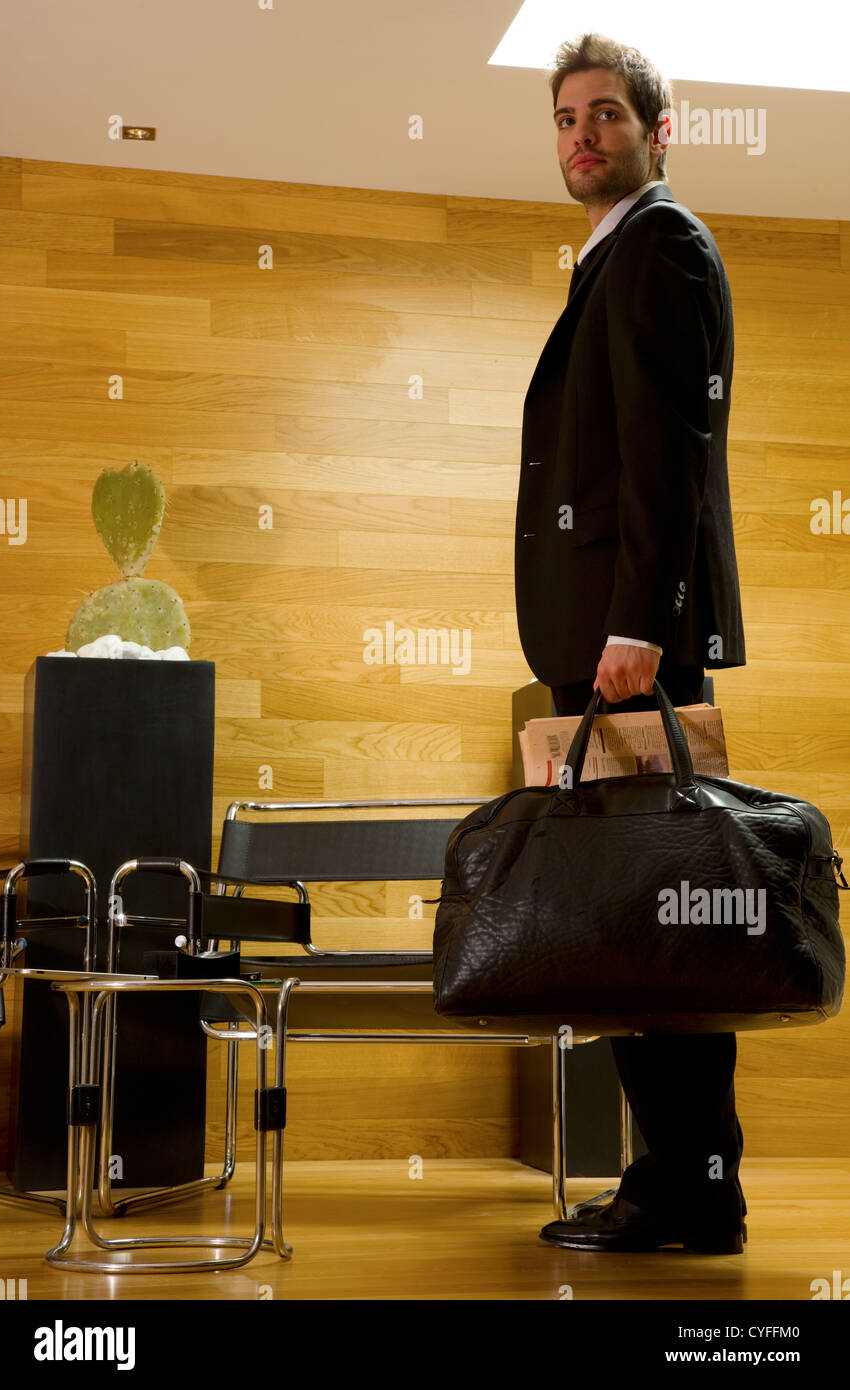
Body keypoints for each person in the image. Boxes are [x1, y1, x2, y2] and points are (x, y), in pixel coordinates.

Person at [515, 34, 748, 1253]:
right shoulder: (608, 258)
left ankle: (693, 1187)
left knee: (659, 921)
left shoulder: (659, 244)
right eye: (563, 119)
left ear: (657, 132)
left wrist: (630, 628)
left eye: (604, 114)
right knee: (624, 918)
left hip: (627, 647)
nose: (579, 135)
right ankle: (671, 1179)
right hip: (607, 641)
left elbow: (663, 452)